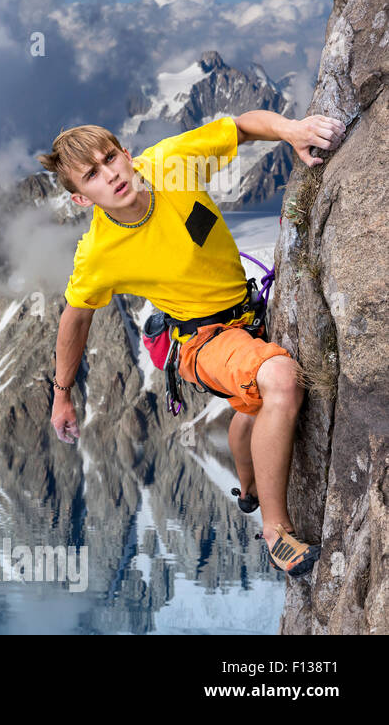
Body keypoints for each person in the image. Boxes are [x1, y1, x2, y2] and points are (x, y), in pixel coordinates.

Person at [37, 108, 346, 577]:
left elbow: (240, 127)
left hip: (248, 312)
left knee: (254, 407)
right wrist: (62, 396)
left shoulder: (170, 163)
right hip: (202, 341)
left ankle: (248, 489)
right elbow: (75, 318)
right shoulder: (99, 254)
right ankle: (276, 532)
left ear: (126, 153)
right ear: (82, 199)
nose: (111, 175)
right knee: (280, 378)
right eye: (92, 176)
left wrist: (293, 131)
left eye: (109, 158)